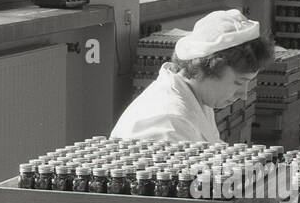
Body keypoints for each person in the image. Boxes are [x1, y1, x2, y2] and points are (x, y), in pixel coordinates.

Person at [111, 9, 273, 143]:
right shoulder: (167, 123)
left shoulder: (197, 96)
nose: (243, 95)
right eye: (238, 82)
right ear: (205, 70)